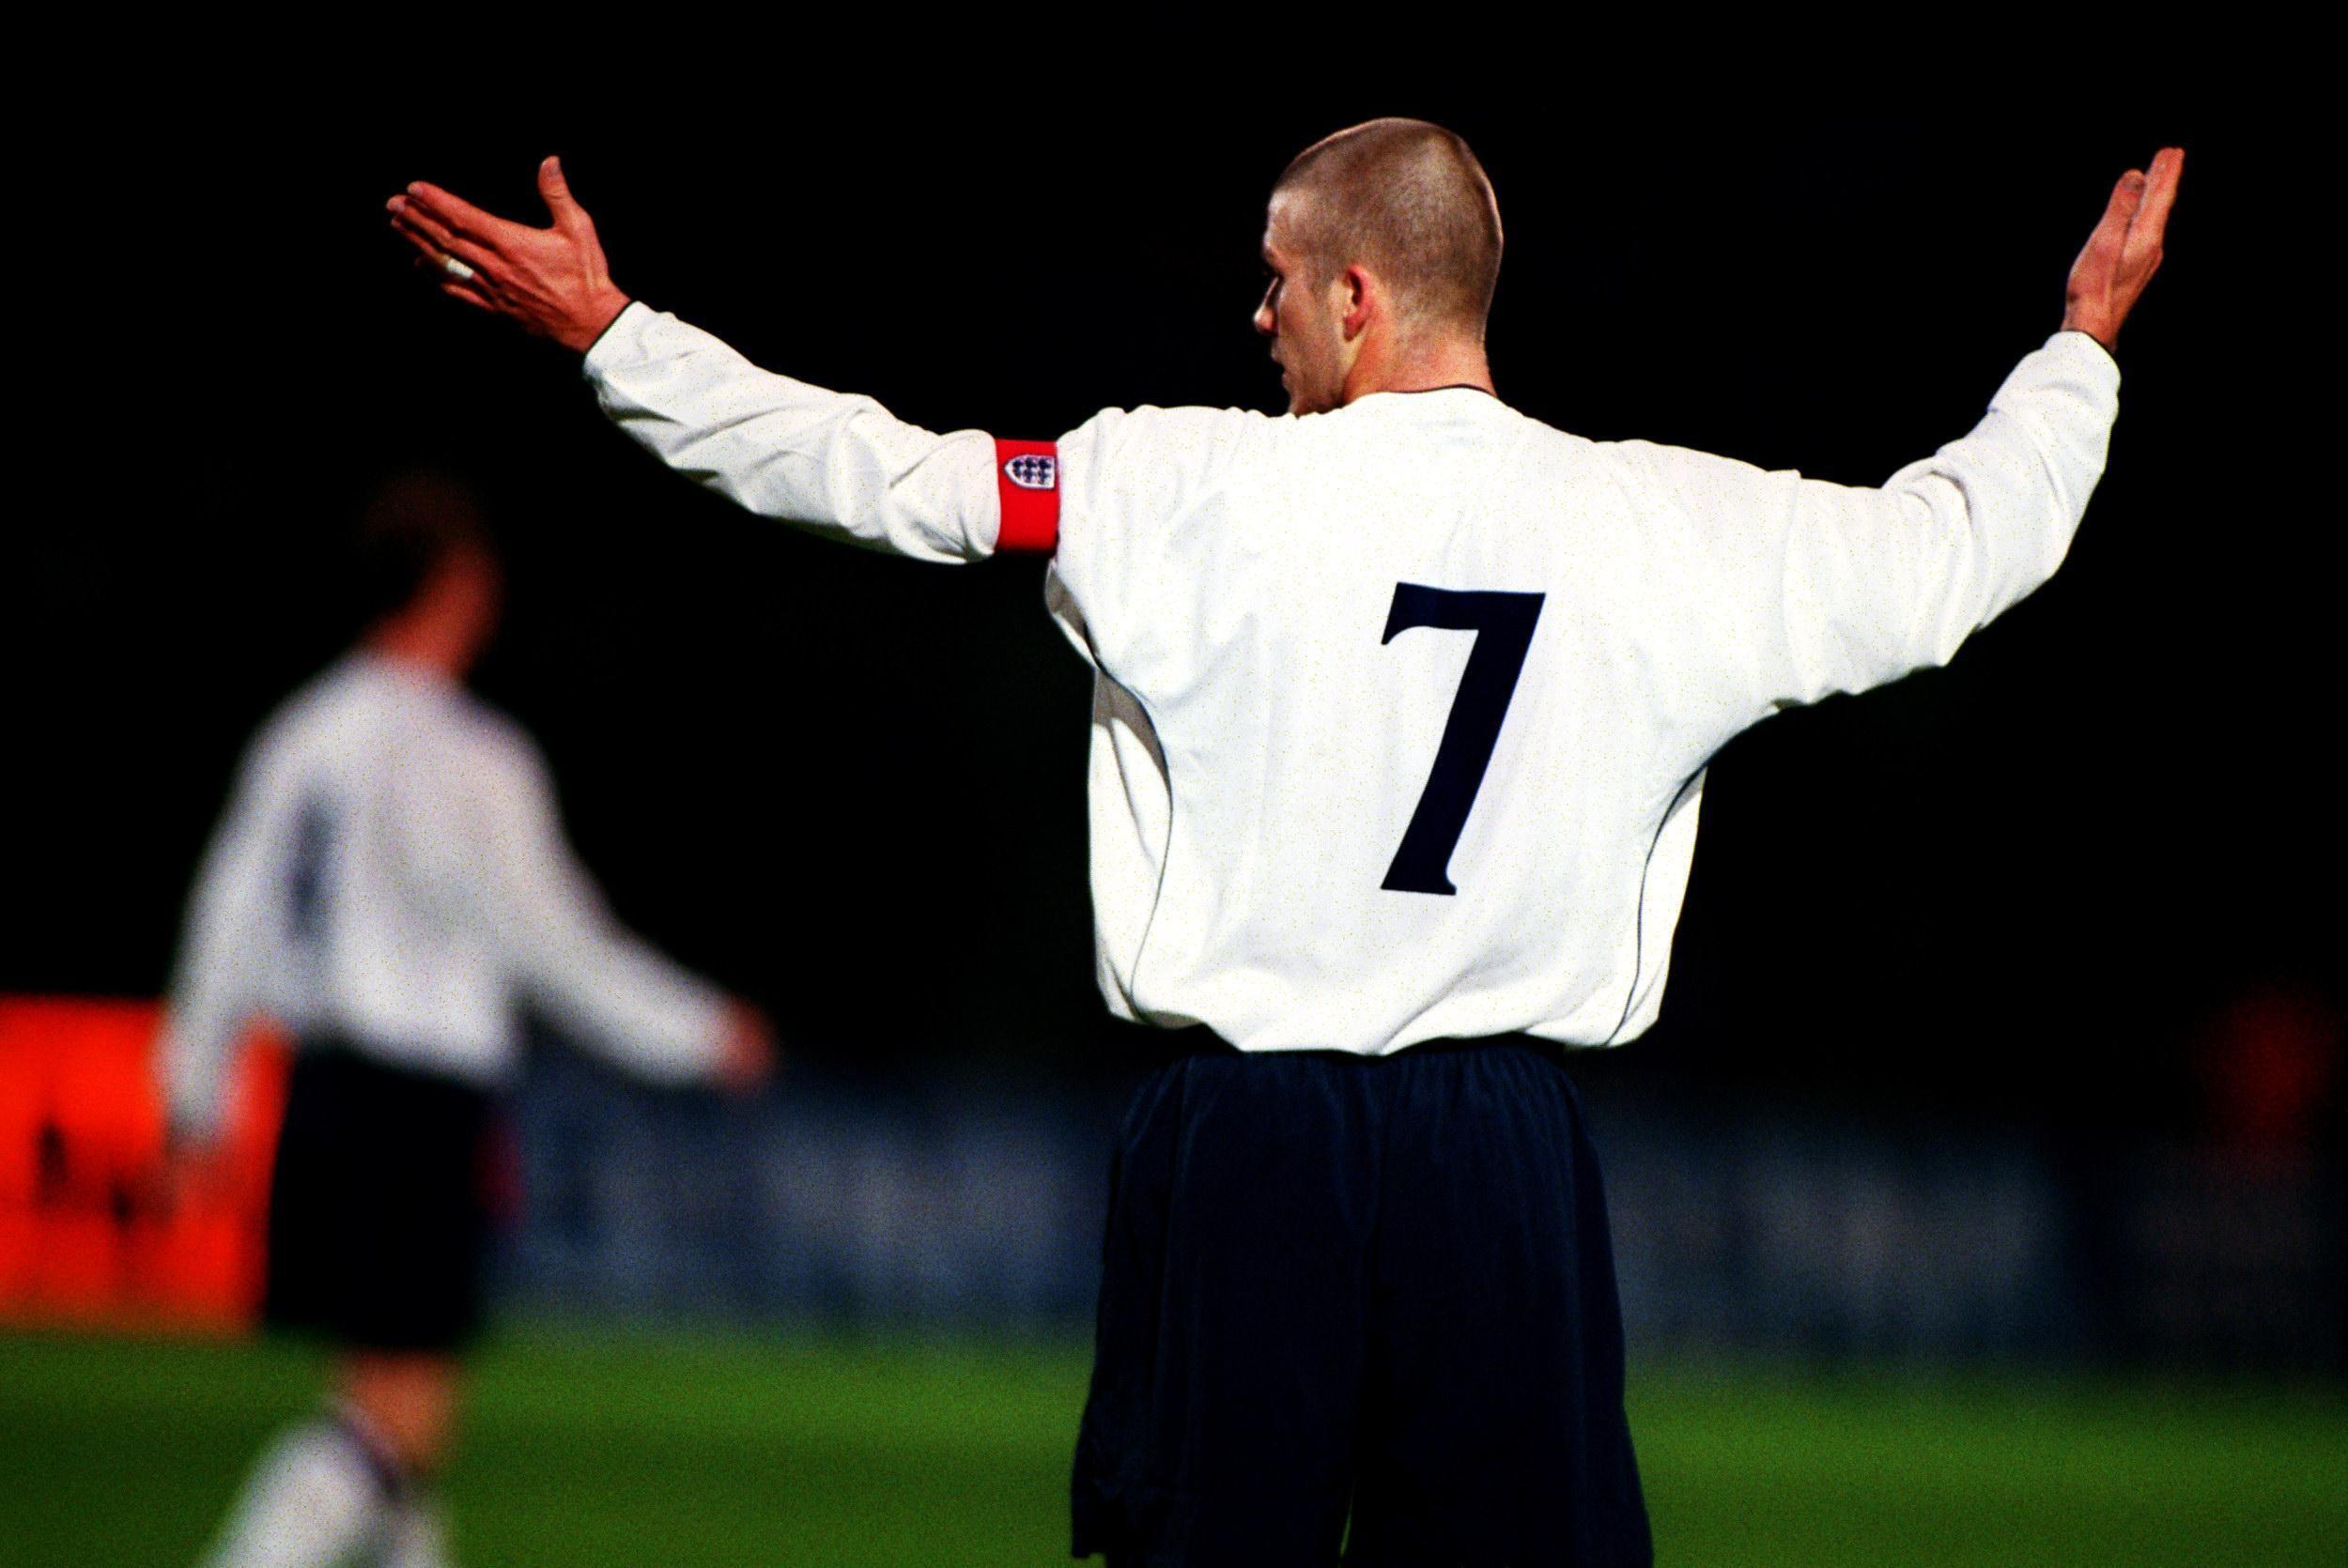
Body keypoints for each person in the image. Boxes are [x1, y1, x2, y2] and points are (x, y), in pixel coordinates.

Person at [386, 123, 2180, 1564]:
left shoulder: (1181, 487)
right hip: (1504, 1159)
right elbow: (1950, 555)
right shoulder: (1670, 525)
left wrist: (616, 340)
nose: (1257, 320)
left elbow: (875, 472)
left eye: (1273, 283)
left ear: (1355, 293)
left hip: (1250, 1147)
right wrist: (2081, 355)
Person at [155, 472, 776, 1568]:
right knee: (399, 1421)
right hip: (418, 1101)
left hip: (323, 1089)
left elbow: (227, 921)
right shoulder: (464, 758)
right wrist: (693, 1030)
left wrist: (193, 1095)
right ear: (450, 588)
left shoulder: (303, 736)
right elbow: (553, 939)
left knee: (384, 1410)